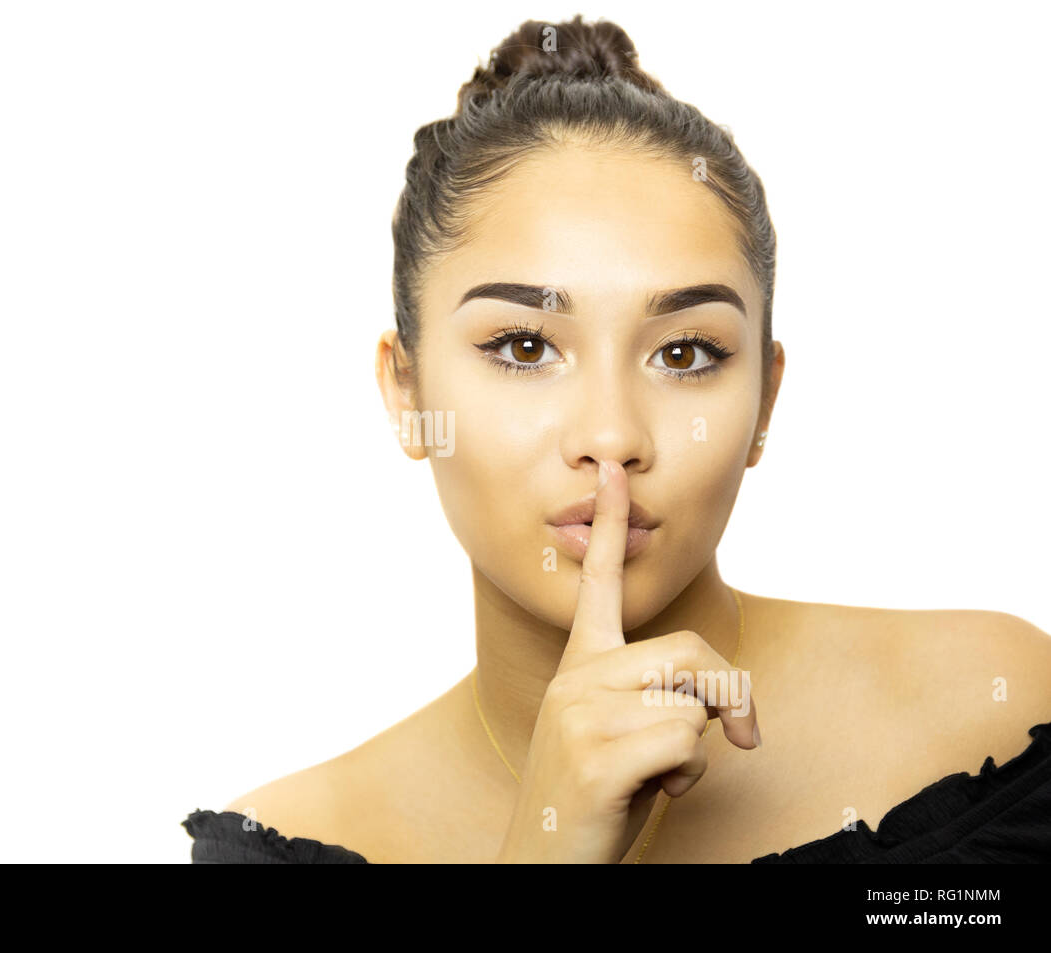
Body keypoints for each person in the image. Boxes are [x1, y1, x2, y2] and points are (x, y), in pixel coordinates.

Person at [184, 14, 1051, 863]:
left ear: (764, 402)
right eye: (524, 348)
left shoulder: (989, 705)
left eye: (684, 353)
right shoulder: (287, 837)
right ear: (406, 390)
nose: (611, 436)